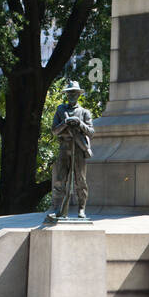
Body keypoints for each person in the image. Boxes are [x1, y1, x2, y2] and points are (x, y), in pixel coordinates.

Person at [47, 81, 94, 221]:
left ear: (79, 94)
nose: (71, 95)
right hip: (64, 148)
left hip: (79, 149)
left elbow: (91, 132)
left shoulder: (84, 112)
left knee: (81, 181)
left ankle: (81, 209)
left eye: (74, 92)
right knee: (60, 180)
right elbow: (54, 131)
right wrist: (65, 123)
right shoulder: (60, 110)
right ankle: (57, 209)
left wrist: (80, 123)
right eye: (69, 92)